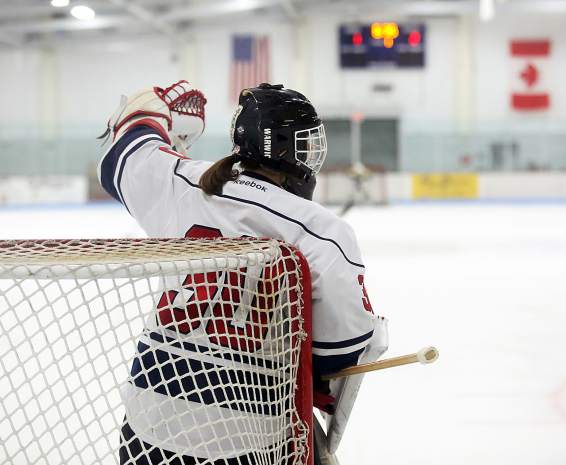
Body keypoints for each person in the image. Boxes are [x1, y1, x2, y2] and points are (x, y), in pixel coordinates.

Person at [98, 81, 385, 465]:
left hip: (150, 419)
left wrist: (156, 115)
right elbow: (342, 353)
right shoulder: (322, 232)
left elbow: (126, 151)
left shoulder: (184, 184)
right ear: (285, 150)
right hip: (247, 431)